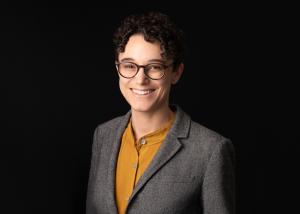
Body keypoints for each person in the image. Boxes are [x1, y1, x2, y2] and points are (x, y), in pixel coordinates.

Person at [86, 11, 235, 214]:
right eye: (129, 66)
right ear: (117, 68)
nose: (140, 79)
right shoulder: (103, 135)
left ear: (176, 72)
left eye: (154, 67)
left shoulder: (210, 151)